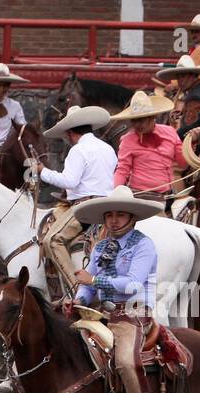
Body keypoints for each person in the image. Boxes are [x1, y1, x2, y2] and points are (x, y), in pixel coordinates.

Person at [70, 186, 164, 393]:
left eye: (120, 214)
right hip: (101, 313)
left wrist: (94, 281)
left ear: (132, 217)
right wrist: (79, 298)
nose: (114, 219)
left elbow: (133, 284)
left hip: (133, 314)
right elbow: (86, 284)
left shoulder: (143, 245)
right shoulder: (100, 247)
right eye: (110, 214)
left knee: (124, 361)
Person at [34, 104, 117, 296]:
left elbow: (69, 181)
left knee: (52, 240)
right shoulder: (108, 148)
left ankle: (77, 289)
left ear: (71, 133)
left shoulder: (78, 150)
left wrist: (42, 171)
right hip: (109, 204)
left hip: (86, 207)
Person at [109, 90, 183, 201]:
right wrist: (115, 193)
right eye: (134, 121)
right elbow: (122, 170)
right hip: (141, 196)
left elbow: (183, 163)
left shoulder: (170, 132)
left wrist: (189, 145)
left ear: (152, 117)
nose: (137, 125)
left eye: (141, 120)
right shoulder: (128, 140)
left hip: (169, 195)